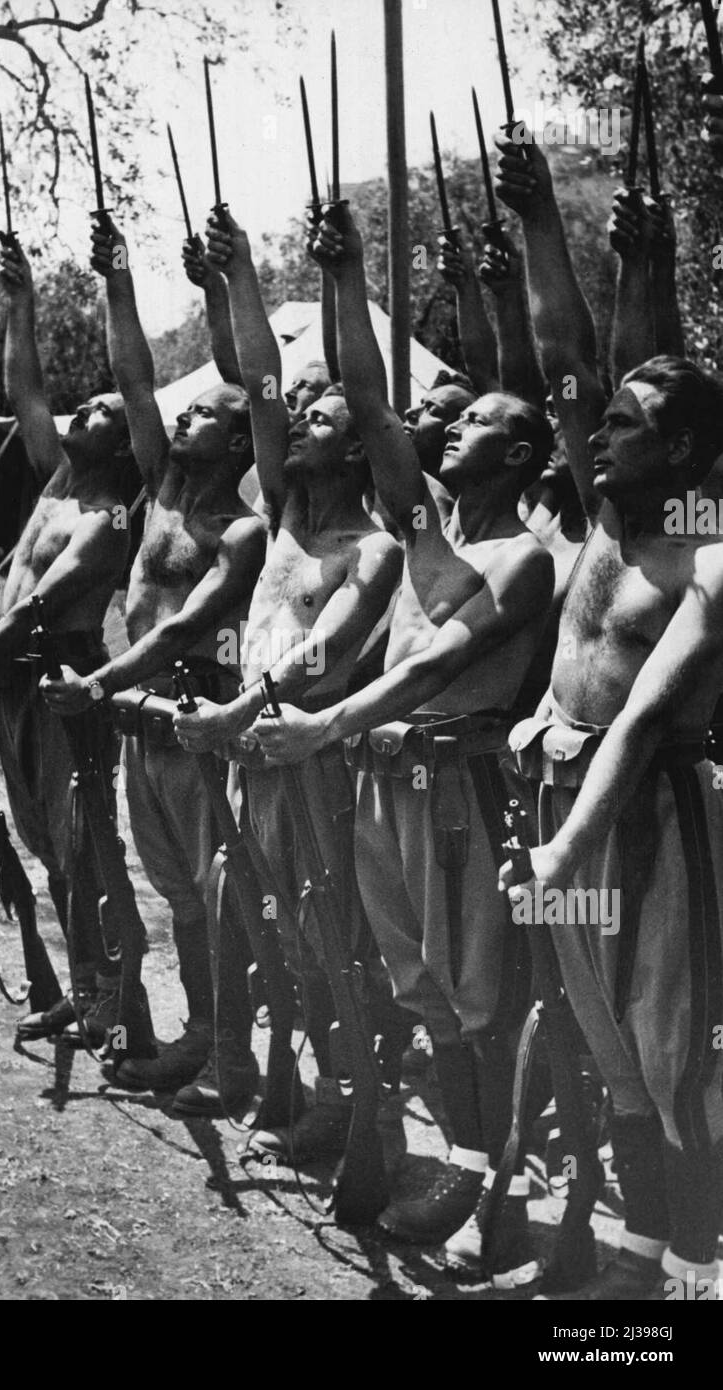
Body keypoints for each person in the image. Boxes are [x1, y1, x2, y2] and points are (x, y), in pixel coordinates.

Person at [254, 205, 556, 1282]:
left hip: (458, 787)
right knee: (423, 989)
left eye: (475, 420)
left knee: (480, 1001)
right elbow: (374, 404)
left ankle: (492, 1190)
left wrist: (329, 723)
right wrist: (342, 274)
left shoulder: (525, 555)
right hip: (386, 779)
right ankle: (457, 1164)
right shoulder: (426, 523)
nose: (452, 427)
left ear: (516, 451)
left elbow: (431, 669)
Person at [496, 124, 723, 1301]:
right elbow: (567, 356)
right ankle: (637, 1265)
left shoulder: (701, 555)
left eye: (628, 422)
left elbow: (638, 726)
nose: (594, 428)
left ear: (682, 448)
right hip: (559, 812)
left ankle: (694, 1275)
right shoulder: (603, 515)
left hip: (645, 833)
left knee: (678, 1062)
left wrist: (561, 849)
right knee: (612, 1052)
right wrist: (542, 220)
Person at [173, 205, 405, 1165]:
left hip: (306, 762)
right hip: (245, 753)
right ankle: (272, 1074)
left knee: (318, 935)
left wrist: (241, 708)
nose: (295, 422)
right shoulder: (280, 515)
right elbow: (260, 386)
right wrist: (232, 283)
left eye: (320, 418)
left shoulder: (374, 546)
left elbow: (325, 654)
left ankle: (353, 1111)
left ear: (355, 449)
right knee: (249, 919)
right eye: (295, 419)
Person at [0, 237, 151, 1053]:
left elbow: (38, 608)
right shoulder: (56, 479)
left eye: (105, 414)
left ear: (123, 445)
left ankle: (122, 1006)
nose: (85, 412)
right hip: (18, 687)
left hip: (62, 682)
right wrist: (20, 299)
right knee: (45, 846)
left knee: (85, 849)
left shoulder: (107, 515)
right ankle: (83, 994)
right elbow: (26, 389)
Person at [42, 215, 266, 1117]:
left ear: (245, 446)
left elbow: (184, 634)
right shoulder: (162, 487)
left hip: (196, 721)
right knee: (178, 895)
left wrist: (99, 683)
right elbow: (135, 377)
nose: (185, 414)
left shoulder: (242, 531)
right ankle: (202, 1040)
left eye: (209, 414)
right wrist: (119, 279)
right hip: (141, 724)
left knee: (222, 897)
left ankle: (235, 1059)